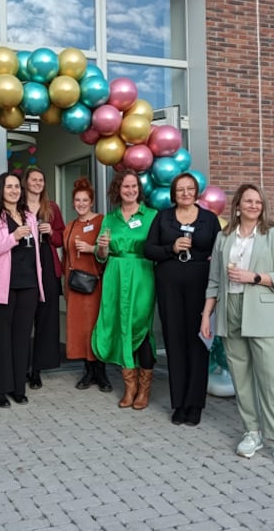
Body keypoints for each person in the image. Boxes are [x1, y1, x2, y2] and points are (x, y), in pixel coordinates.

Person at [201, 184, 274, 470]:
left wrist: (253, 276)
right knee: (240, 378)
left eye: (258, 201)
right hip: (230, 309)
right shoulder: (224, 236)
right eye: (248, 201)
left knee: (270, 379)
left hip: (262, 313)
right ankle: (252, 432)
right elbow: (214, 279)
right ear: (238, 205)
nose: (254, 205)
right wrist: (207, 314)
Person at [144, 172, 220, 425]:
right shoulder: (162, 217)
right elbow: (148, 249)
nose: (185, 193)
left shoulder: (209, 219)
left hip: (200, 287)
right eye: (180, 190)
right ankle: (179, 403)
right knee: (175, 341)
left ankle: (195, 403)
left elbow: (219, 253)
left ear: (197, 192)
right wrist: (171, 248)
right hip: (169, 286)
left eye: (190, 189)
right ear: (173, 194)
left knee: (198, 342)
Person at [93, 170, 157, 410]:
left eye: (133, 186)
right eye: (125, 187)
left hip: (142, 275)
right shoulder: (109, 219)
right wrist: (101, 248)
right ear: (117, 190)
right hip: (115, 275)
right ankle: (130, 388)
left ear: (139, 189)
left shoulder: (151, 216)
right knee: (120, 325)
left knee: (140, 325)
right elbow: (101, 256)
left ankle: (144, 388)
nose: (130, 191)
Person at [0, 172, 44, 408]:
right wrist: (13, 237)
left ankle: (18, 387)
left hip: (27, 284)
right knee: (0, 340)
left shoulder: (29, 216)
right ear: (1, 190)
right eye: (9, 187)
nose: (14, 190)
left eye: (17, 186)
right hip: (1, 286)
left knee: (21, 339)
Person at [61, 177, 110, 392]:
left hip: (95, 285)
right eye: (77, 200)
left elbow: (109, 252)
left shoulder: (102, 221)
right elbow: (66, 259)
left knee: (96, 328)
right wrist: (65, 286)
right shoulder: (69, 227)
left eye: (85, 200)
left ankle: (102, 373)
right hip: (75, 286)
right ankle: (88, 372)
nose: (81, 204)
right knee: (79, 330)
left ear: (92, 202)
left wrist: (91, 248)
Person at [23, 167, 64, 389]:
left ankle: (37, 369)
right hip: (24, 263)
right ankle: (22, 366)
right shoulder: (17, 207)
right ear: (26, 182)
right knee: (24, 318)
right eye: (34, 179)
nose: (38, 183)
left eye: (41, 180)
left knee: (46, 318)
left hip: (47, 263)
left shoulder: (52, 208)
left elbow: (61, 239)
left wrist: (52, 233)